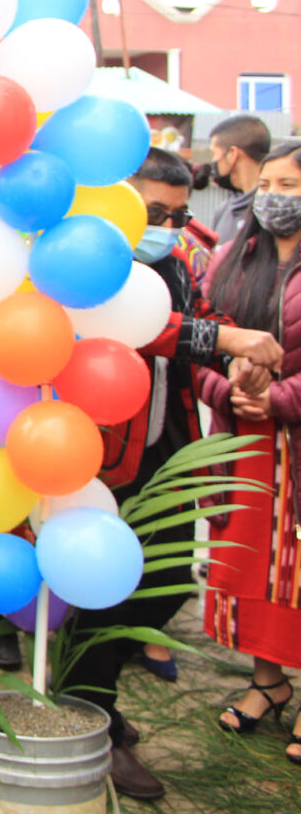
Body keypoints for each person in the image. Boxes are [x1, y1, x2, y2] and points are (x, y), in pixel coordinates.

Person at [59, 148, 282, 799]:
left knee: (167, 581)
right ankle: (88, 721)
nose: (167, 224)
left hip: (167, 444)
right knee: (104, 586)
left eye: (179, 214)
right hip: (94, 451)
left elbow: (203, 317)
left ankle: (89, 696)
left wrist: (235, 354)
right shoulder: (86, 256)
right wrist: (227, 343)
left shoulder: (178, 259)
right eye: (154, 211)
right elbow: (140, 326)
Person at [199, 141, 301, 766]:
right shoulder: (229, 261)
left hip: (292, 436)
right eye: (267, 184)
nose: (274, 197)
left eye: (289, 185)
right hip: (244, 441)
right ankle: (269, 681)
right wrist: (230, 393)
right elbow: (200, 346)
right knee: (250, 566)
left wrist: (283, 400)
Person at [209, 115, 271, 242]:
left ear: (232, 154)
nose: (213, 161)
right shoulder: (225, 209)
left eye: (214, 154)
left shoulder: (271, 210)